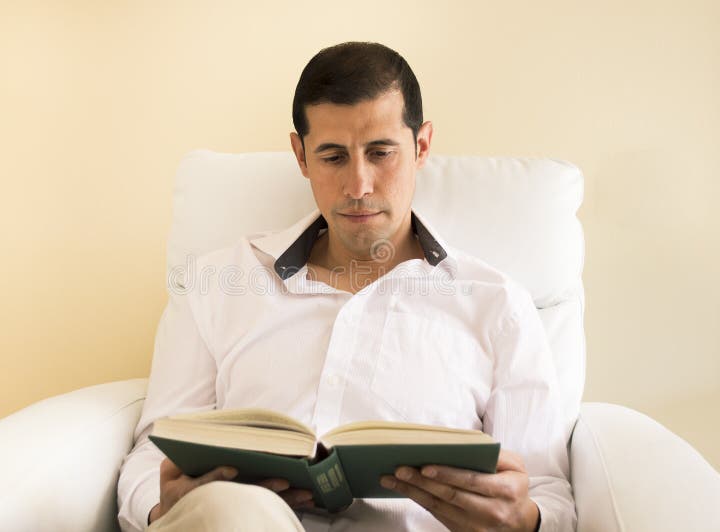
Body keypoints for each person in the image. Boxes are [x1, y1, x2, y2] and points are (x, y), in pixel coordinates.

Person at [117, 41, 577, 532]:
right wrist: (167, 505)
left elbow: (549, 494)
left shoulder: (497, 304)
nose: (358, 185)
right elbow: (152, 454)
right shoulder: (218, 283)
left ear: (421, 146)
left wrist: (525, 519)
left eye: (381, 153)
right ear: (300, 155)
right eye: (333, 157)